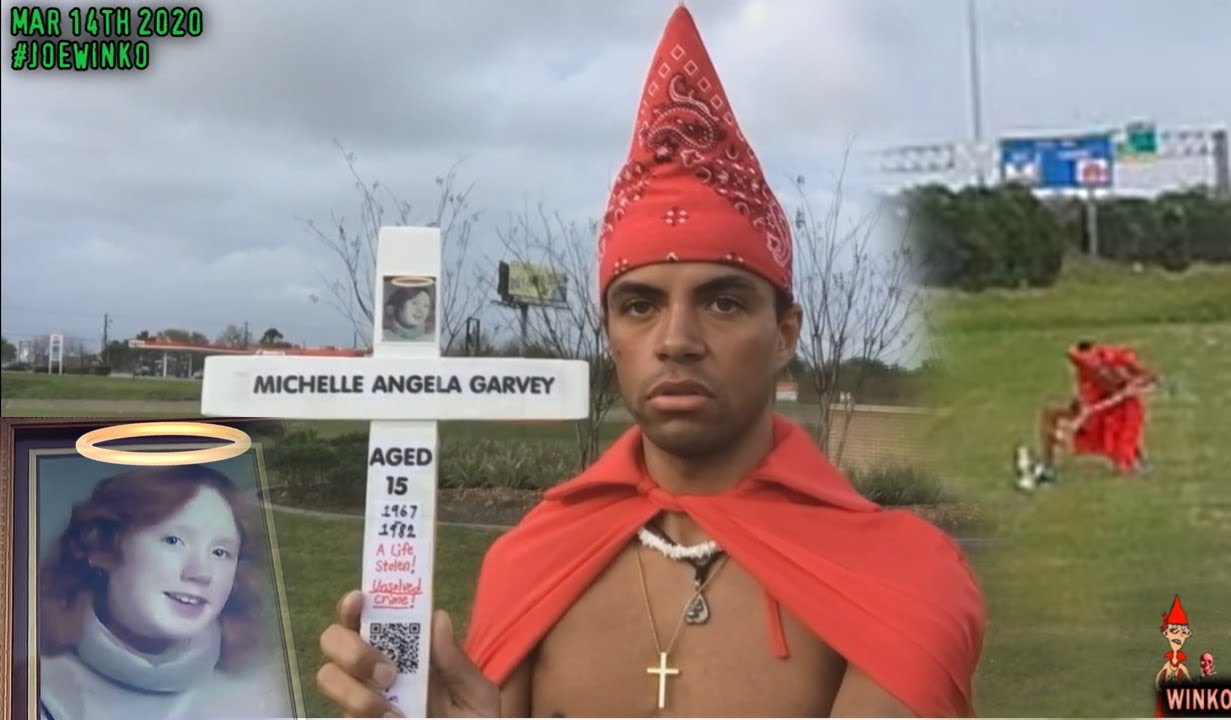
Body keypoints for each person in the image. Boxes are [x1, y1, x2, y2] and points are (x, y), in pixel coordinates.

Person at [318, 6, 985, 717]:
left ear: (785, 333)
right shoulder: (532, 558)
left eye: (723, 302)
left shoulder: (902, 576)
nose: (676, 339)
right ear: (608, 331)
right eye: (639, 305)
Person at [37, 464, 294, 720]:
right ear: (103, 547)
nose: (200, 573)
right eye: (173, 541)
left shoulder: (267, 692)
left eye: (220, 552)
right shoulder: (38, 691)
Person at [1017, 340, 1157, 490]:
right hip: (1100, 408)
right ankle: (1048, 464)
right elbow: (1087, 399)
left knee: (1123, 450)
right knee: (1050, 415)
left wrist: (1134, 384)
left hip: (1115, 411)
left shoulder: (1117, 360)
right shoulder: (1086, 371)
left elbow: (1145, 379)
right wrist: (1078, 413)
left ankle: (1136, 460)